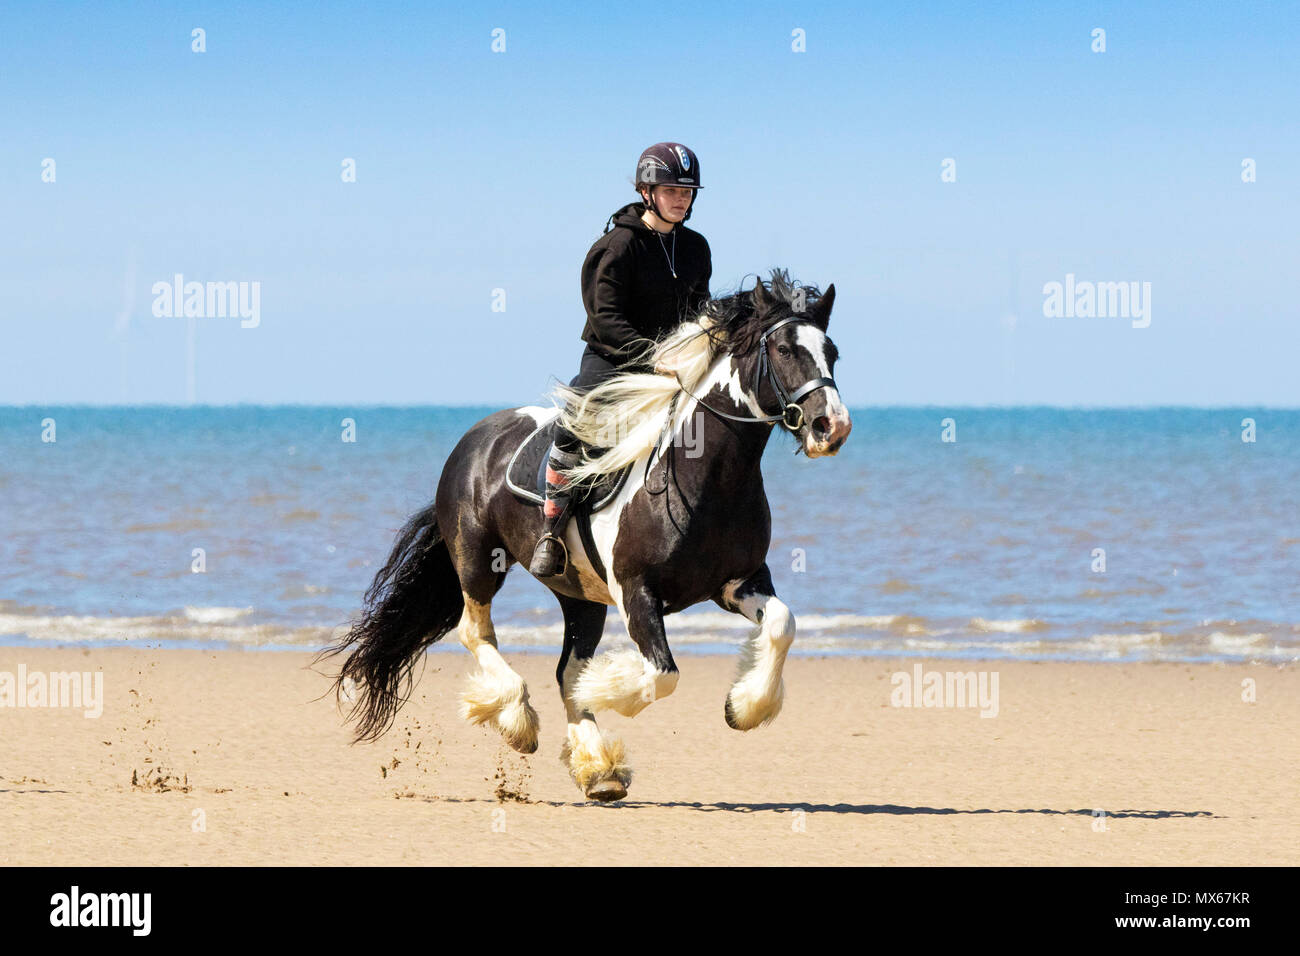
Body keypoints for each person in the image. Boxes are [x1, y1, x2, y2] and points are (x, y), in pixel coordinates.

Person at [529, 142, 712, 577]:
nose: (681, 199)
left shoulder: (696, 248)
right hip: (613, 359)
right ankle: (551, 529)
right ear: (647, 191)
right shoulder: (617, 245)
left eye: (688, 192)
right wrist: (651, 357)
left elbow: (700, 309)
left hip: (675, 363)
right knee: (581, 421)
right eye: (672, 190)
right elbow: (605, 316)